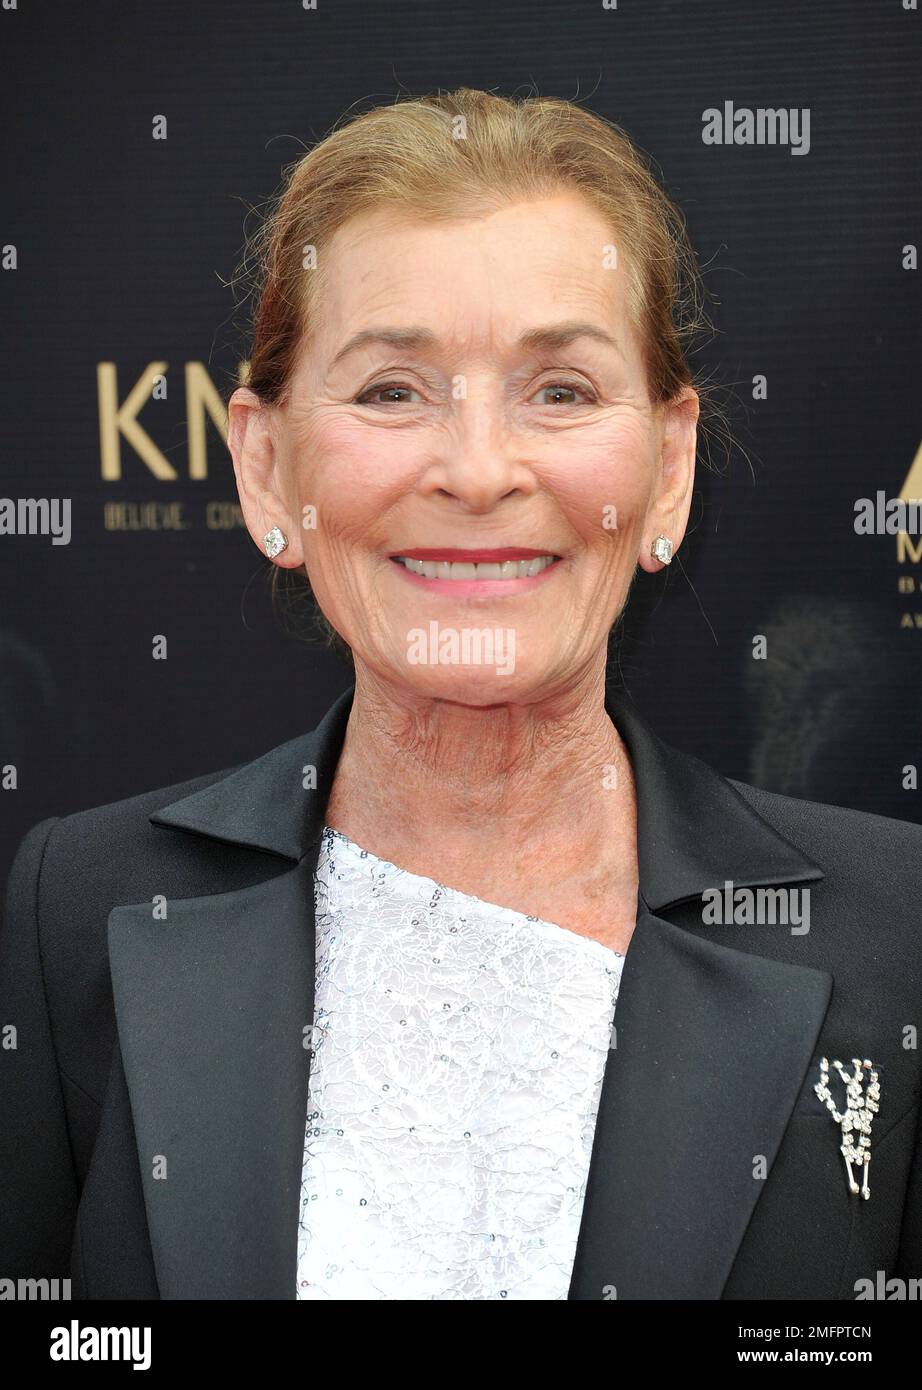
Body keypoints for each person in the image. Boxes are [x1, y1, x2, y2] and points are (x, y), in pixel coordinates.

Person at [2, 87, 920, 1301]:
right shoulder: (82, 907)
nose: (480, 471)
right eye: (392, 389)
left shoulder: (895, 932)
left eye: (560, 390)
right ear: (267, 468)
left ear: (669, 467)